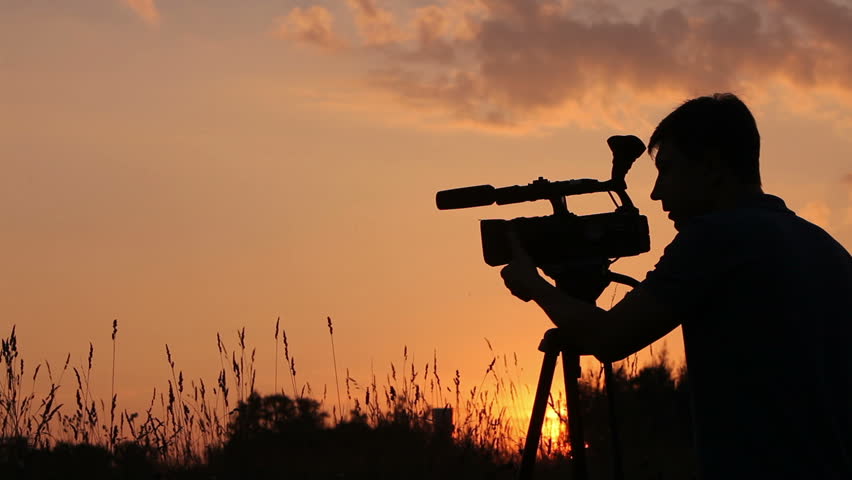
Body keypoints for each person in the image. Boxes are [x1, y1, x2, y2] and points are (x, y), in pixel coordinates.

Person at [500, 93, 852, 479]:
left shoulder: (714, 238)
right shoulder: (826, 248)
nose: (655, 192)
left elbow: (609, 338)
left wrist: (533, 283)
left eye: (667, 170)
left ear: (713, 167)